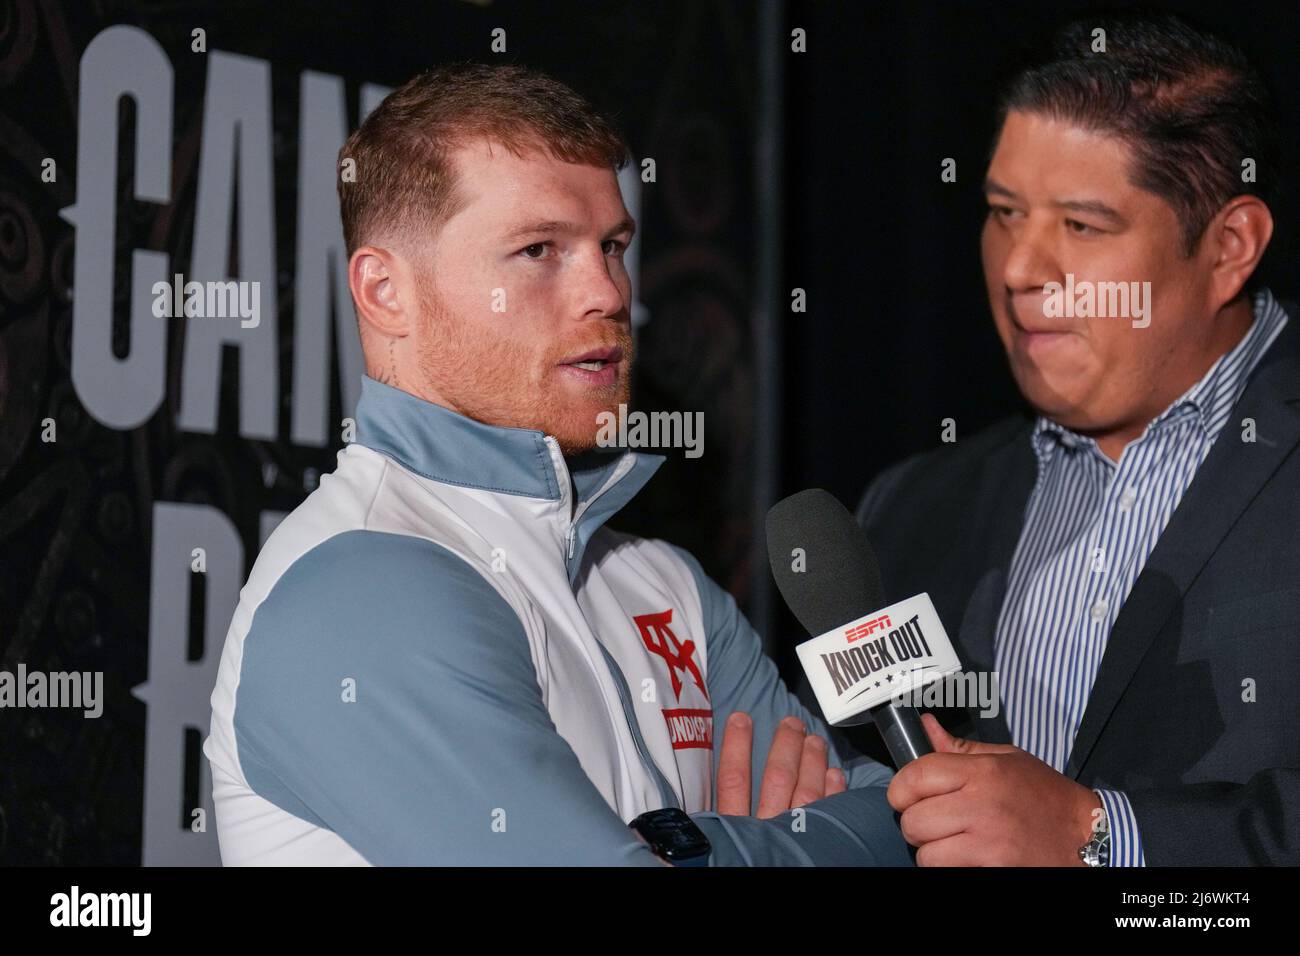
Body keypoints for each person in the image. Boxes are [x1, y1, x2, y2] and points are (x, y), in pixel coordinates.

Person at [203, 62, 910, 866]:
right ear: (385, 292)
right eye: (540, 249)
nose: (606, 292)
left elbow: (913, 831)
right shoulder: (359, 585)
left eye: (611, 246)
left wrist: (700, 849)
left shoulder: (664, 582)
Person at [854, 13, 1300, 865]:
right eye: (1003, 212)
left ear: (1229, 246)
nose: (1020, 266)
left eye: (1081, 226)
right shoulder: (908, 508)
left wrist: (1098, 836)